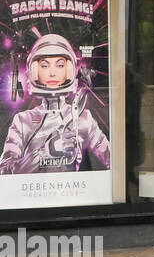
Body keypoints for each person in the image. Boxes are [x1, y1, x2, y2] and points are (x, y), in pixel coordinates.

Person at [0, 34, 111, 176]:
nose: (52, 73)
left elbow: (115, 163)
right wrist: (47, 151)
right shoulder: (22, 121)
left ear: (69, 70)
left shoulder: (84, 118)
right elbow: (4, 173)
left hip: (76, 193)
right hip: (31, 195)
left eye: (60, 65)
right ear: (34, 71)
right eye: (45, 66)